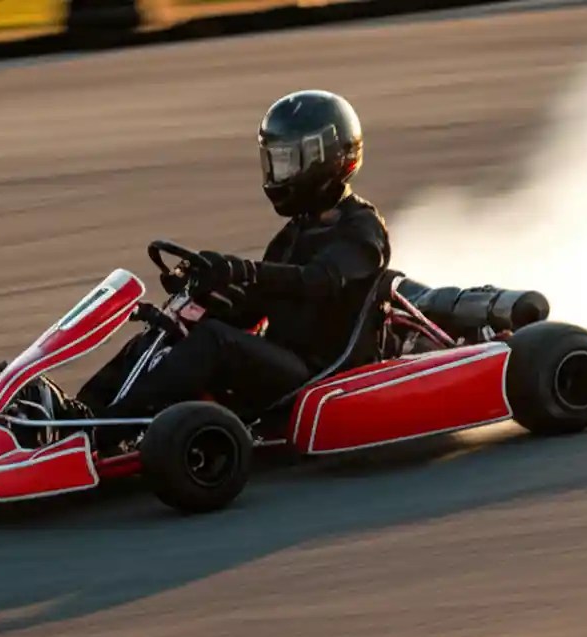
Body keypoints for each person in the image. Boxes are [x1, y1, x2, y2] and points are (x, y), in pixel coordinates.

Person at [73, 89, 392, 424]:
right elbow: (255, 306)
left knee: (214, 341)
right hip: (282, 360)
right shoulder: (293, 234)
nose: (279, 175)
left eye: (288, 163)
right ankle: (82, 413)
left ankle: (110, 428)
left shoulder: (362, 228)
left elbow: (318, 281)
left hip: (321, 373)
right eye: (275, 162)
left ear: (327, 158)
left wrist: (240, 270)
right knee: (168, 328)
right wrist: (206, 293)